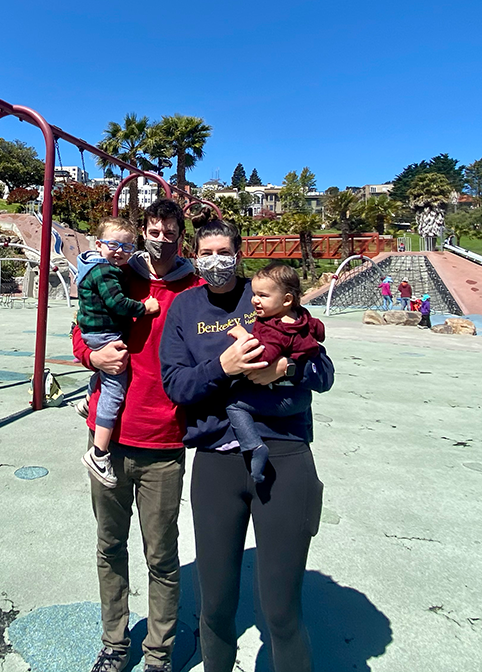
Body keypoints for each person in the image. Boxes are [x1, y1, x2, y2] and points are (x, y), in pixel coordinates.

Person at [162, 218, 334, 672]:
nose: (215, 260)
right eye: (206, 251)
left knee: (280, 609)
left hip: (284, 453)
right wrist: (222, 365)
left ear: (239, 253)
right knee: (215, 604)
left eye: (224, 251)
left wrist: (285, 370)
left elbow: (323, 372)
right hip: (217, 461)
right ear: (194, 255)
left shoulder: (267, 292)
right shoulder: (183, 308)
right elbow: (177, 386)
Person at [71, 199, 201, 672]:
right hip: (109, 438)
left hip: (163, 439)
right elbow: (80, 331)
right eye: (153, 228)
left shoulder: (196, 287)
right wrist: (92, 359)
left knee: (162, 556)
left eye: (170, 231)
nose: (160, 238)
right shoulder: (118, 272)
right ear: (142, 230)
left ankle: (159, 654)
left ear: (181, 236)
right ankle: (114, 643)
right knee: (109, 546)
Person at [74, 217, 161, 487]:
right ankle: (99, 454)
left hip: (96, 331)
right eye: (113, 244)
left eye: (127, 246)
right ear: (99, 244)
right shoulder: (107, 272)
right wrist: (144, 308)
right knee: (115, 388)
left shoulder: (91, 267)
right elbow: (116, 302)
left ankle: (88, 399)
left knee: (105, 375)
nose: (120, 251)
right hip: (104, 334)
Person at [223, 261, 325, 484]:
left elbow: (263, 359)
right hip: (301, 398)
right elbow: (319, 329)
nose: (254, 300)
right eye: (254, 294)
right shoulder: (302, 317)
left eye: (262, 295)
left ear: (286, 299)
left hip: (282, 396)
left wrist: (243, 337)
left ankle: (254, 446)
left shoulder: (274, 329)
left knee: (234, 404)